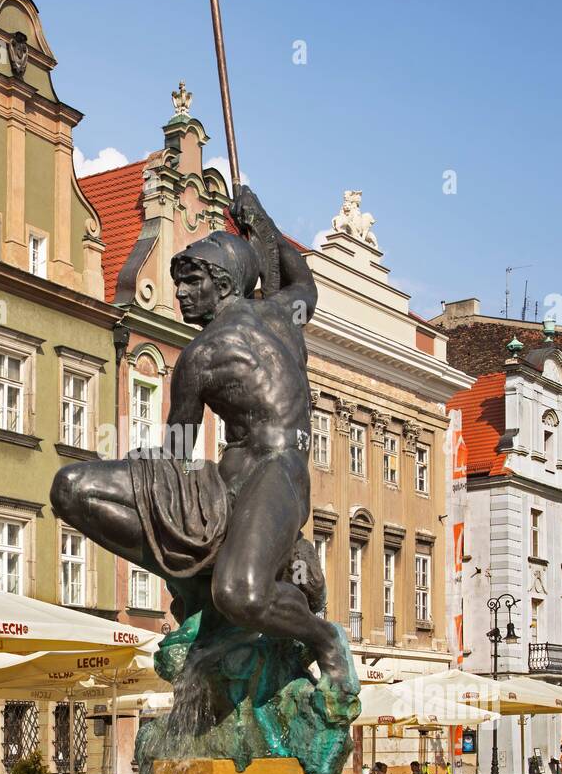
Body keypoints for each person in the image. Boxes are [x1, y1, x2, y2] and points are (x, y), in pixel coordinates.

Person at [51, 185, 352, 689]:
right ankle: (196, 578)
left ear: (223, 281)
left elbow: (304, 283)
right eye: (178, 283)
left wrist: (263, 224)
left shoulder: (280, 317)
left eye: (191, 281)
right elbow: (177, 455)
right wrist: (150, 487)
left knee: (241, 594)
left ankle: (321, 638)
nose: (181, 293)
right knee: (71, 488)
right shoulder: (195, 359)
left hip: (278, 473)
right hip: (220, 481)